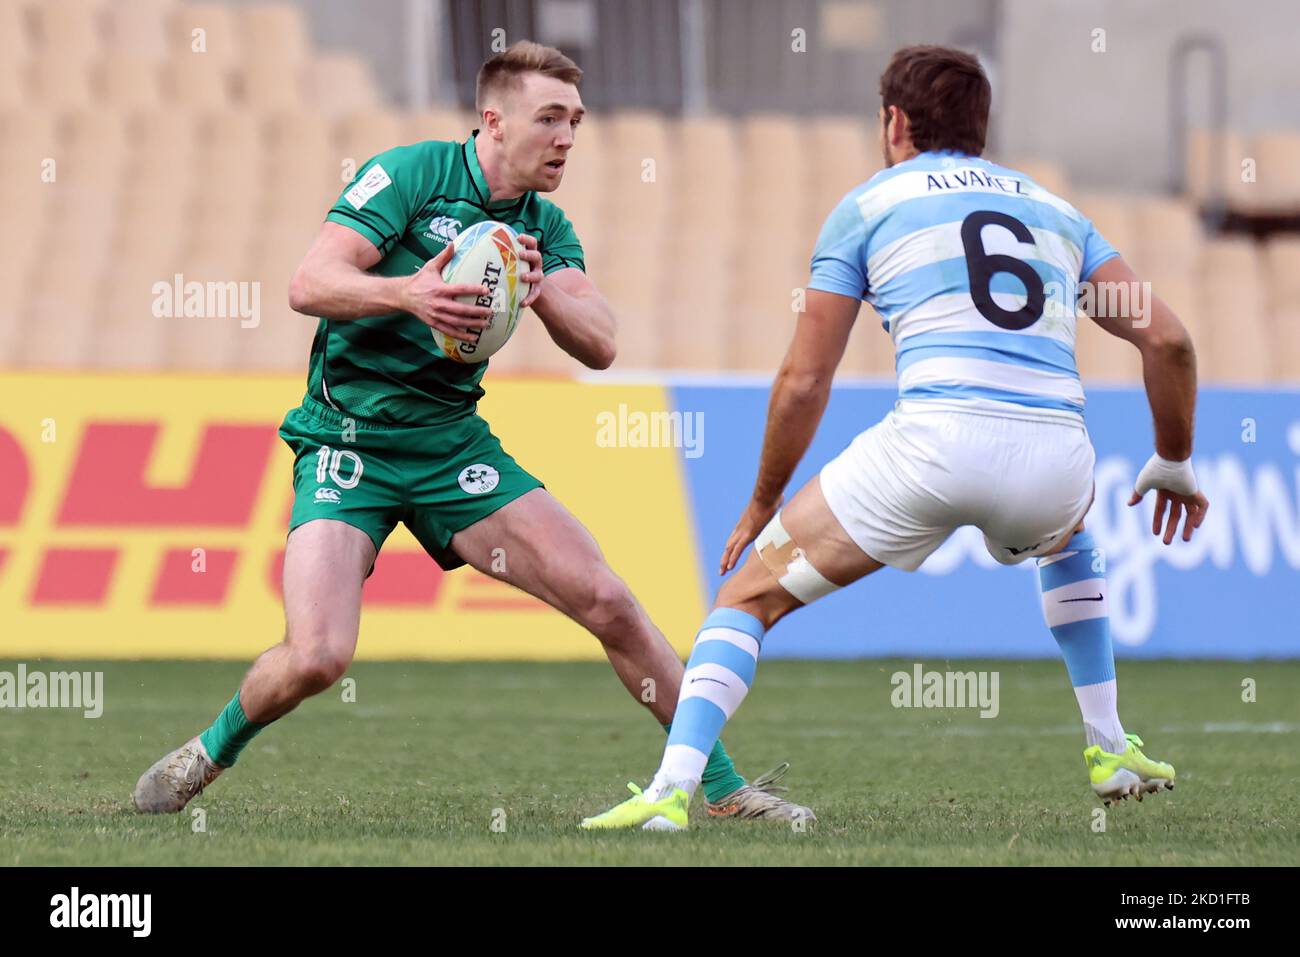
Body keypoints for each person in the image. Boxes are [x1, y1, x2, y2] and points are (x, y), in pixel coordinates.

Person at [133, 40, 811, 824]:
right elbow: (308, 282)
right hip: (348, 441)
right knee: (319, 655)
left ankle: (722, 788)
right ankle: (208, 751)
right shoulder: (412, 175)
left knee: (608, 598)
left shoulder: (542, 227)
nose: (566, 138)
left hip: (452, 448)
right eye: (548, 118)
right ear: (493, 120)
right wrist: (407, 295)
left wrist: (542, 288)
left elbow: (602, 341)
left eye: (576, 122)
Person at [581, 44, 1207, 832]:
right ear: (982, 127)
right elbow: (1172, 342)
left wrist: (763, 502)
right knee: (1068, 535)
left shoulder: (868, 206)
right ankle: (1109, 746)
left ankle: (672, 790)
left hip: (935, 443)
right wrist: (1175, 458)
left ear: (893, 121)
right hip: (1057, 454)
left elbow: (806, 380)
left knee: (748, 596)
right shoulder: (1057, 212)